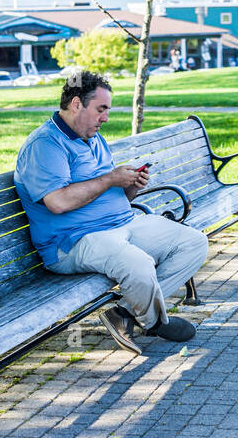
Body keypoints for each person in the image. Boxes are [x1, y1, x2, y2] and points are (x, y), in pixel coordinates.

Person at [13, 71, 206, 350]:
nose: (105, 117)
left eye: (108, 110)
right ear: (77, 104)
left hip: (121, 224)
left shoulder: (93, 137)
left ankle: (125, 313)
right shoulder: (45, 144)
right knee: (138, 264)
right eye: (101, 109)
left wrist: (131, 186)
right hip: (73, 241)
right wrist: (110, 179)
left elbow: (110, 194)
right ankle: (154, 322)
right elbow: (58, 202)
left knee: (193, 242)